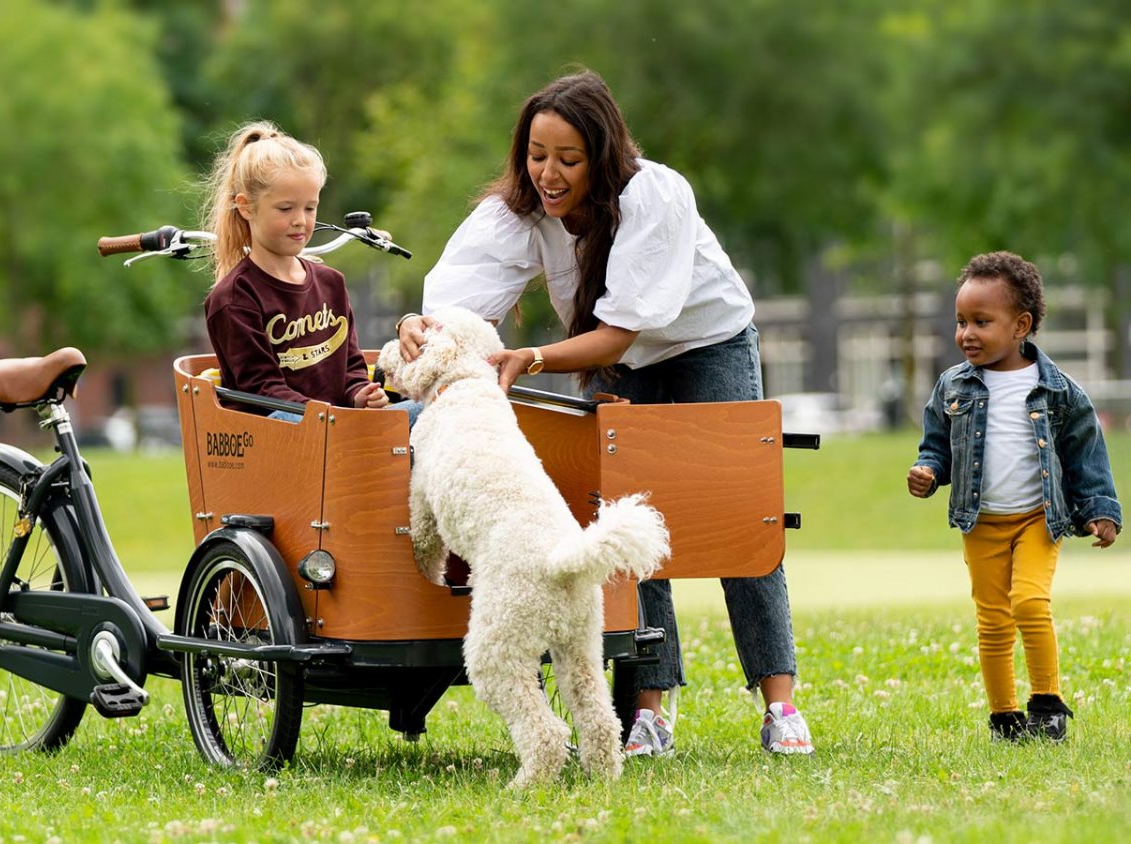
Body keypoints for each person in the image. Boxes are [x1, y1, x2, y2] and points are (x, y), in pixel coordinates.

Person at [395, 70, 813, 756]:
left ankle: (780, 703)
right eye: (536, 155)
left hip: (705, 345)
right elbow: (460, 303)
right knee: (622, 518)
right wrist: (422, 325)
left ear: (602, 154)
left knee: (740, 512)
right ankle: (649, 710)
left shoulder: (655, 194)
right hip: (615, 361)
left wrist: (530, 358)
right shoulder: (522, 210)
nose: (549, 174)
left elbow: (622, 331)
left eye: (568, 159)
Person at [907, 251, 1120, 743]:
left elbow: (1085, 452)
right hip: (980, 522)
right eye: (961, 321)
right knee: (993, 618)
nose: (967, 334)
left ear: (1021, 324)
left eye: (982, 321)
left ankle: (1046, 704)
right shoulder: (952, 385)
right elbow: (937, 445)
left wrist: (1099, 510)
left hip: (1037, 520)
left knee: (1028, 601)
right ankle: (1005, 717)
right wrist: (927, 471)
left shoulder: (1059, 390)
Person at [201, 121, 410, 424]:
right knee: (290, 418)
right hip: (282, 433)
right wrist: (328, 417)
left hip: (339, 426)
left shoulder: (331, 283)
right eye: (285, 209)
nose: (300, 220)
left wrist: (360, 393)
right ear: (246, 207)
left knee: (435, 414)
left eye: (310, 208)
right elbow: (261, 389)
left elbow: (351, 366)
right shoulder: (235, 297)